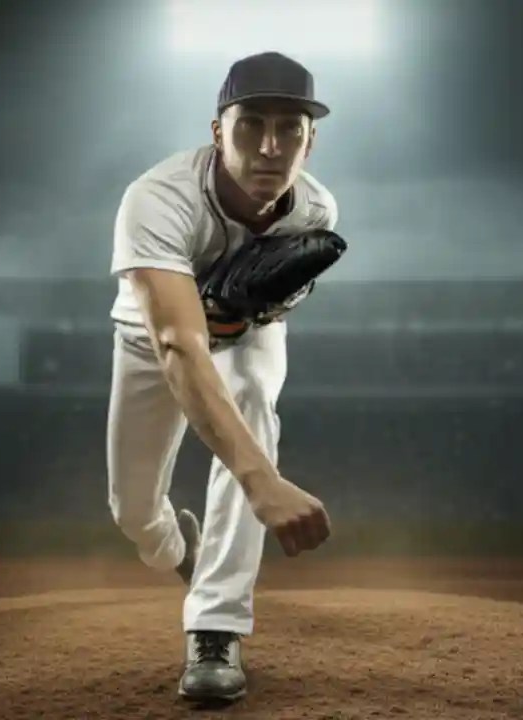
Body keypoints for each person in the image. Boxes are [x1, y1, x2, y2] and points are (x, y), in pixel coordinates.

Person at [105, 51, 337, 702]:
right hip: (148, 338)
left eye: (290, 127)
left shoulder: (315, 212)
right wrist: (262, 483)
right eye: (250, 124)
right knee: (132, 513)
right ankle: (182, 552)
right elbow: (179, 342)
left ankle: (215, 624)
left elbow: (250, 317)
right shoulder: (157, 199)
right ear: (217, 132)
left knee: (254, 399)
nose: (270, 146)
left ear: (310, 141)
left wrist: (236, 320)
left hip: (247, 334)